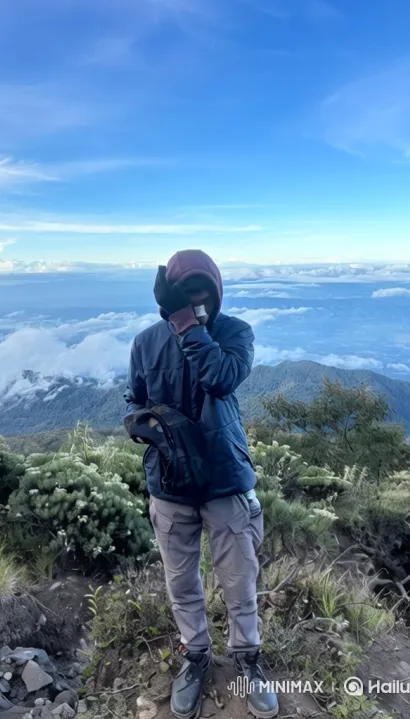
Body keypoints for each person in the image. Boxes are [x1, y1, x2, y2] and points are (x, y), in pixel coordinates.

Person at [124, 250, 278, 719]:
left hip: (225, 480)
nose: (195, 299)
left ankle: (247, 659)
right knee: (181, 581)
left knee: (240, 579)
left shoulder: (234, 333)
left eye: (202, 290)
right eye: (184, 292)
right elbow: (133, 398)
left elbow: (222, 377)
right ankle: (196, 657)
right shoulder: (145, 342)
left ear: (216, 290)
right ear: (168, 296)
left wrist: (188, 325)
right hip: (170, 486)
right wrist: (144, 425)